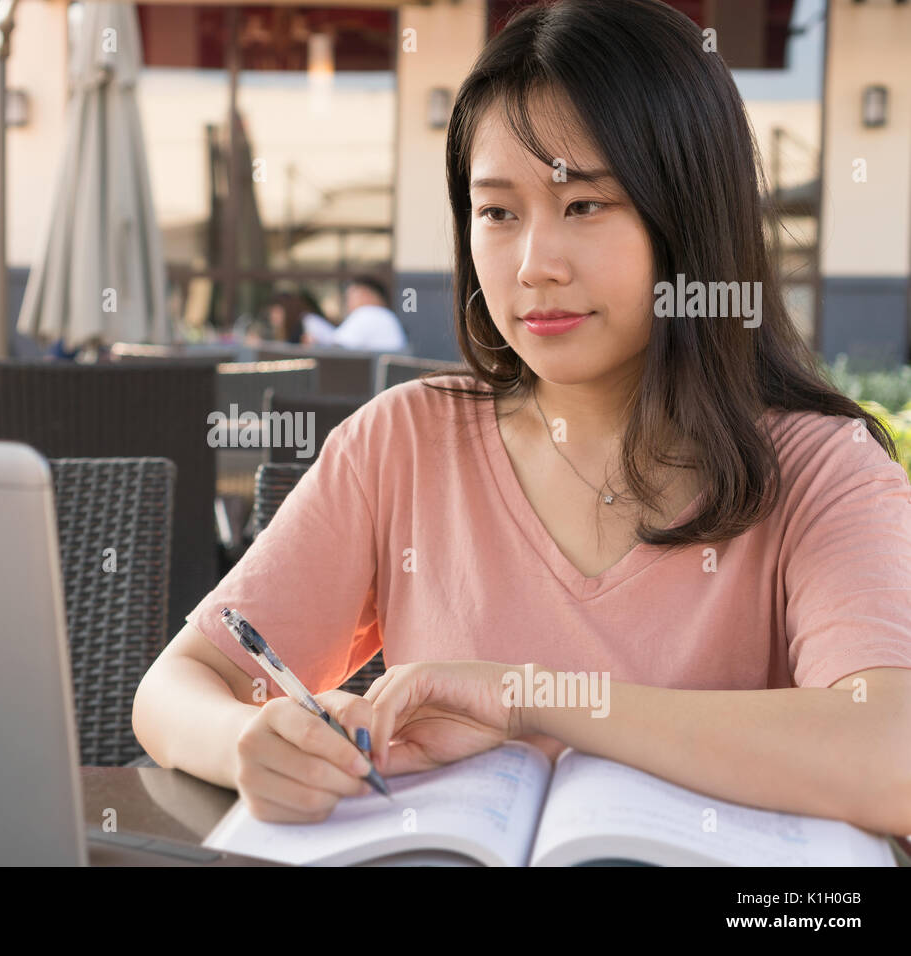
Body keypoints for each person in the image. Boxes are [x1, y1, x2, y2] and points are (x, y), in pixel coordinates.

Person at [131, 0, 911, 835]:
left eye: (584, 206)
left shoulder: (822, 468)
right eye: (498, 213)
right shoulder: (403, 441)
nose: (535, 266)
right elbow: (178, 688)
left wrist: (527, 696)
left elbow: (890, 754)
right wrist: (250, 740)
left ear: (688, 218)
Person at [301, 275, 408, 351]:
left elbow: (337, 347)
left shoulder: (369, 313)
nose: (348, 303)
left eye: (351, 296)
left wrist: (316, 342)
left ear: (366, 295)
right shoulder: (386, 316)